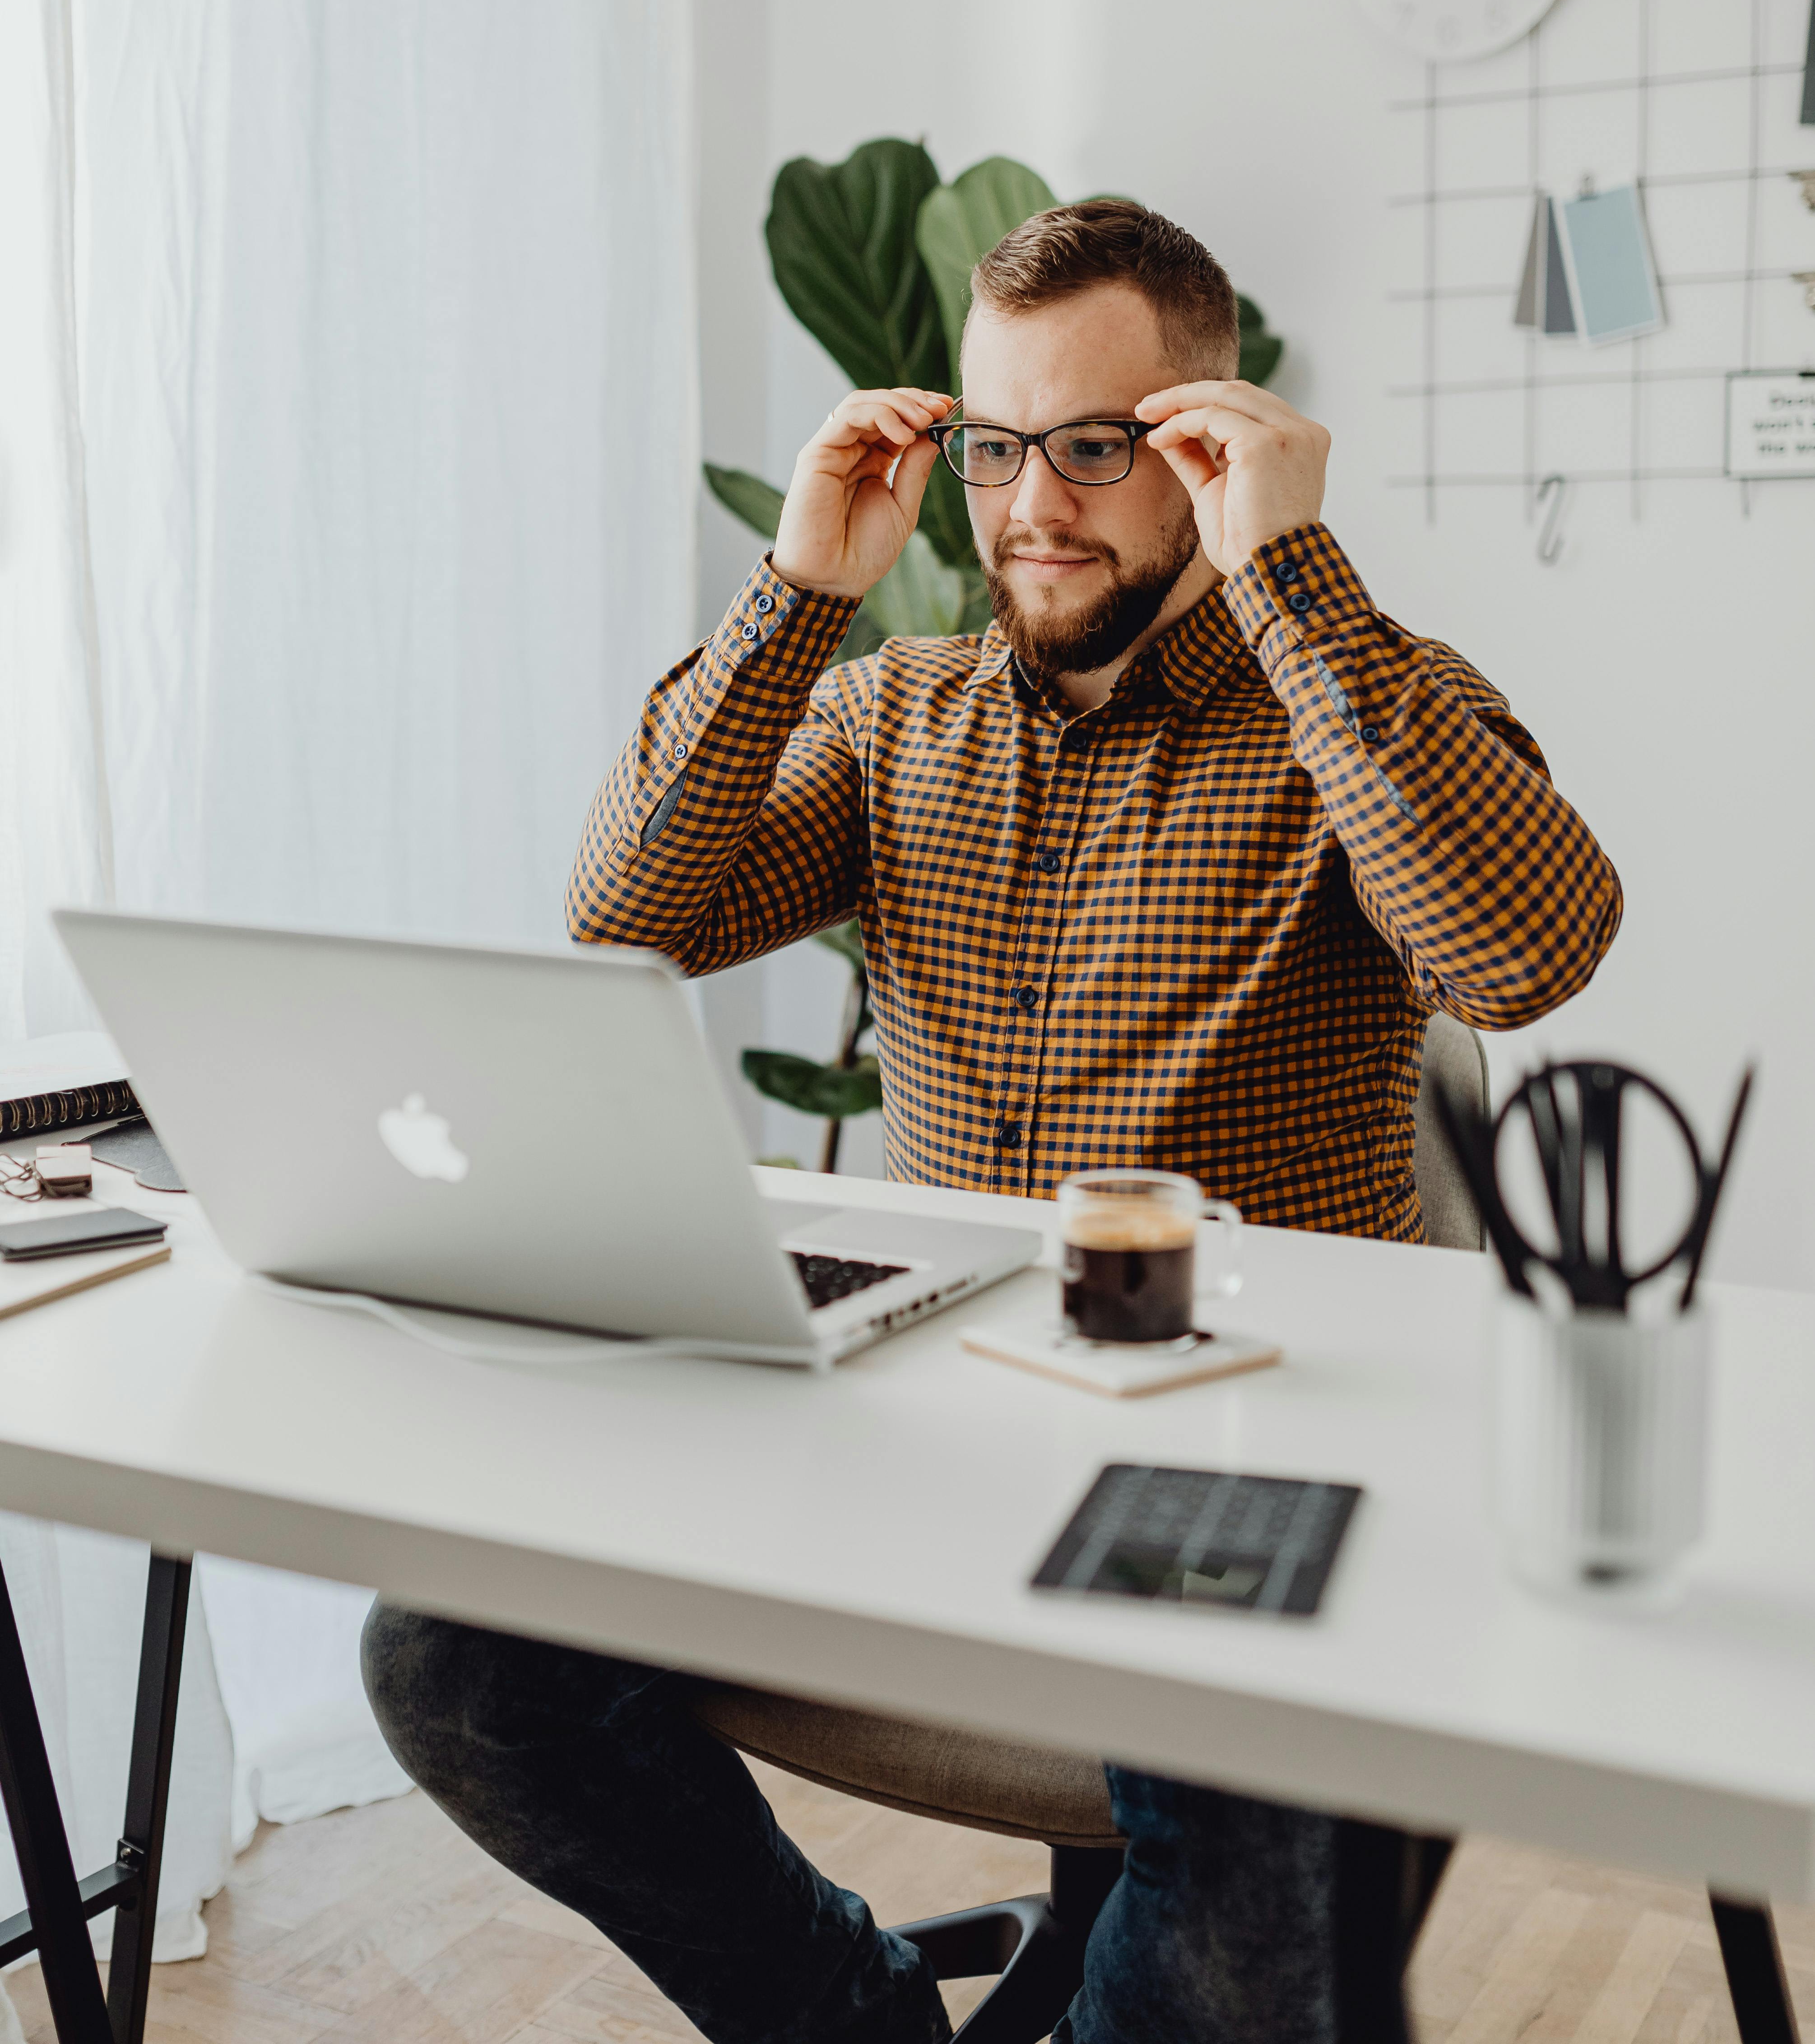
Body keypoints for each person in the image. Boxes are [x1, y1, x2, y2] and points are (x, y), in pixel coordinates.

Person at [365, 201, 1621, 2043]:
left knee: (1267, 1791)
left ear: (1210, 436)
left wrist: (1293, 576)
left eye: (1098, 447)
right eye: (996, 444)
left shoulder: (1361, 706)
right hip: (912, 1431)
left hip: (1243, 1458)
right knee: (458, 1652)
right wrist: (801, 590)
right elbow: (628, 917)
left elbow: (1522, 957)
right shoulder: (895, 711)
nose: (1033, 501)